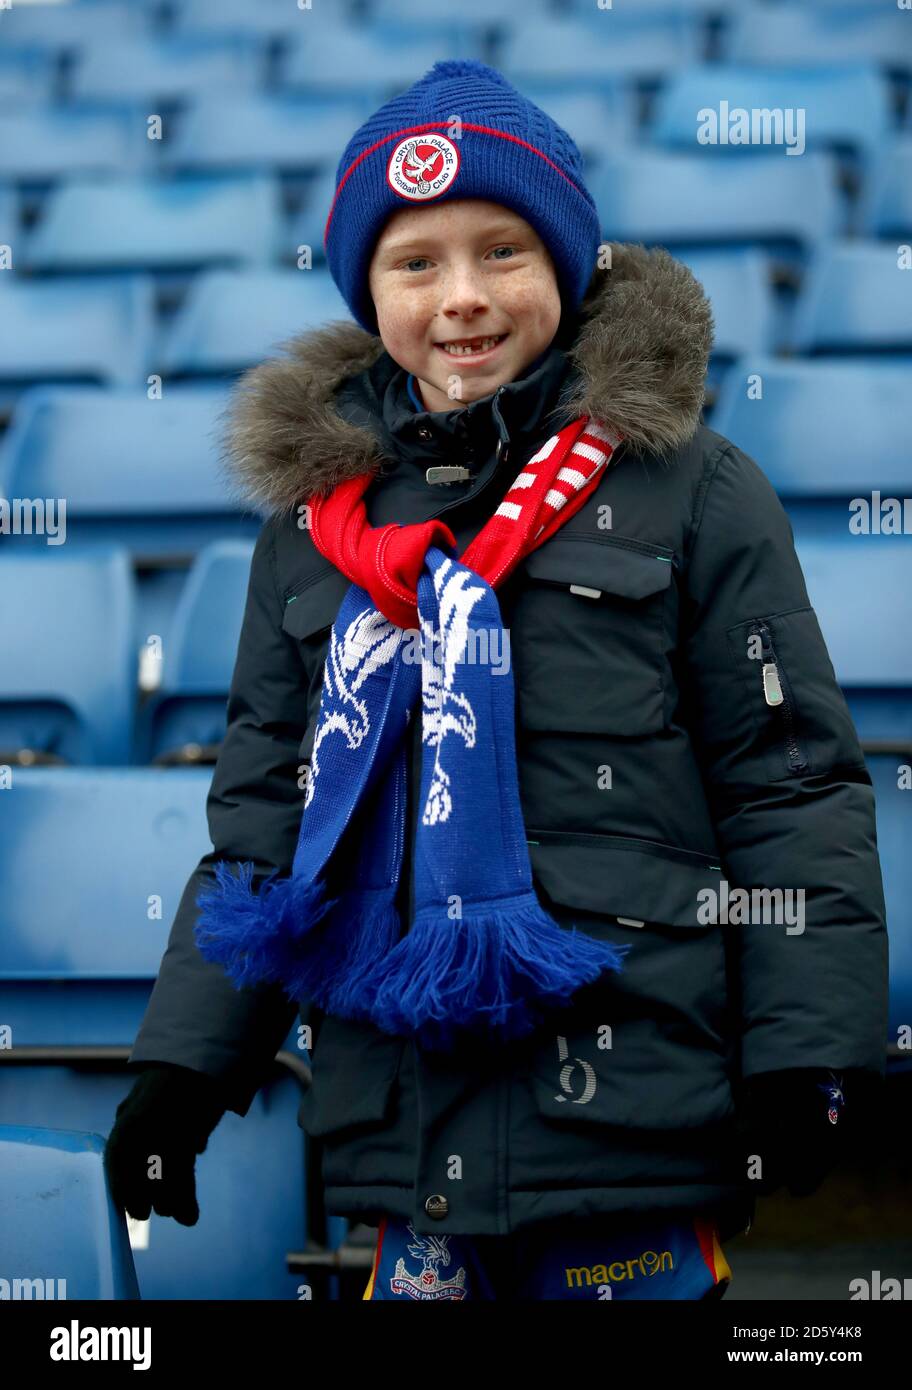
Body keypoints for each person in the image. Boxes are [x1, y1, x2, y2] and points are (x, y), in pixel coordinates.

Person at [105, 61, 888, 1302]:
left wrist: (807, 1054)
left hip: (636, 1118)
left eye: (503, 251)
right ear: (368, 289)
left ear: (569, 266)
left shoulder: (695, 486)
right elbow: (263, 826)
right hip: (400, 1129)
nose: (462, 298)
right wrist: (188, 1068)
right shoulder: (309, 536)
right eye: (416, 263)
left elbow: (791, 789)